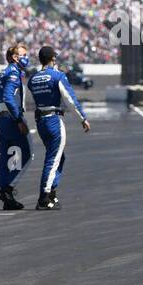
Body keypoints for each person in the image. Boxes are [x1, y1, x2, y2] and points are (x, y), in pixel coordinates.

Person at [25, 45, 90, 210]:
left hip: (40, 121)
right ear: (53, 59)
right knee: (53, 159)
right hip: (53, 119)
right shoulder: (57, 76)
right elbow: (70, 99)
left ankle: (52, 194)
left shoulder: (33, 79)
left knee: (58, 157)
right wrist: (82, 118)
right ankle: (44, 197)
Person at [0, 43, 31, 210]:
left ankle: (8, 198)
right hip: (10, 119)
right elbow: (8, 97)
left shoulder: (3, 72)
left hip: (1, 119)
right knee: (27, 154)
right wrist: (19, 119)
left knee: (5, 158)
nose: (27, 58)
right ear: (15, 57)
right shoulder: (14, 73)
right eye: (24, 55)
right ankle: (7, 190)